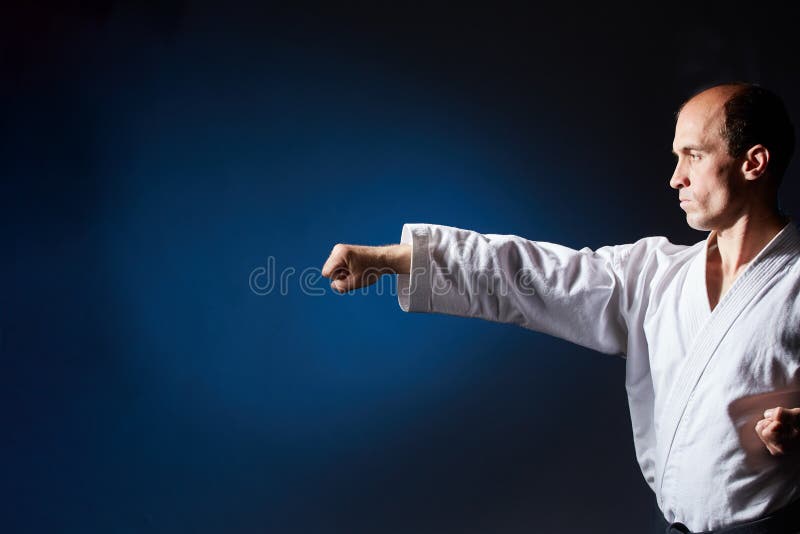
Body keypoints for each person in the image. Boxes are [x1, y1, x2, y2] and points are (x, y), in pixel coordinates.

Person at [321, 82, 800, 533]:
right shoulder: (656, 275)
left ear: (753, 162)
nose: (676, 177)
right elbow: (535, 274)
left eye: (693, 156)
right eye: (677, 158)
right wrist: (390, 260)